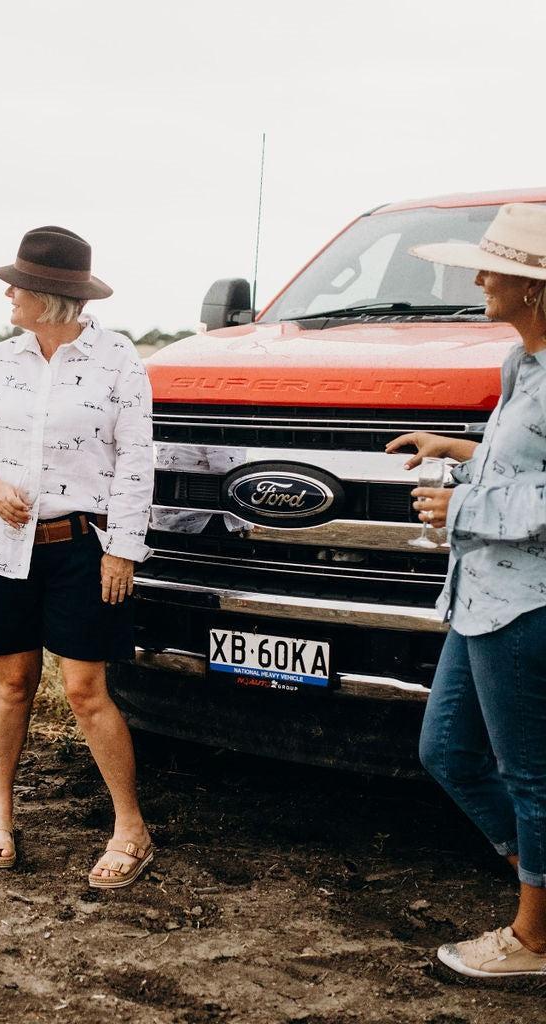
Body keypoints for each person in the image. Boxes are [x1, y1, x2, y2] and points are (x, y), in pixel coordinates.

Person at [0, 226, 155, 888]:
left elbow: (137, 463)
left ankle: (131, 828)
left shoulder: (119, 361)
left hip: (83, 550)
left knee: (85, 689)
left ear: (50, 296)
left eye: (19, 284)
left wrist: (122, 551)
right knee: (12, 683)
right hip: (7, 549)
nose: (8, 293)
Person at [386, 203, 546, 978]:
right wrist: (458, 450)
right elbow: (527, 464)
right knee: (447, 750)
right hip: (484, 593)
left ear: (536, 287)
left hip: (530, 602)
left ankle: (535, 939)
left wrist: (464, 503)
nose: (478, 277)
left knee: (530, 773)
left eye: (493, 268)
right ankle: (540, 890)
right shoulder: (525, 365)